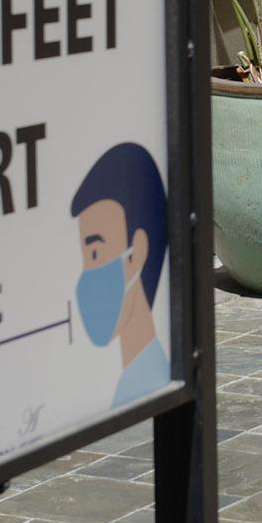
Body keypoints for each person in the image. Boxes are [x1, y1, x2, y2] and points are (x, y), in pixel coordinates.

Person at [71, 142, 170, 408]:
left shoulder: (142, 380)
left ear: (137, 251)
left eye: (94, 254)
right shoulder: (133, 382)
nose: (86, 278)